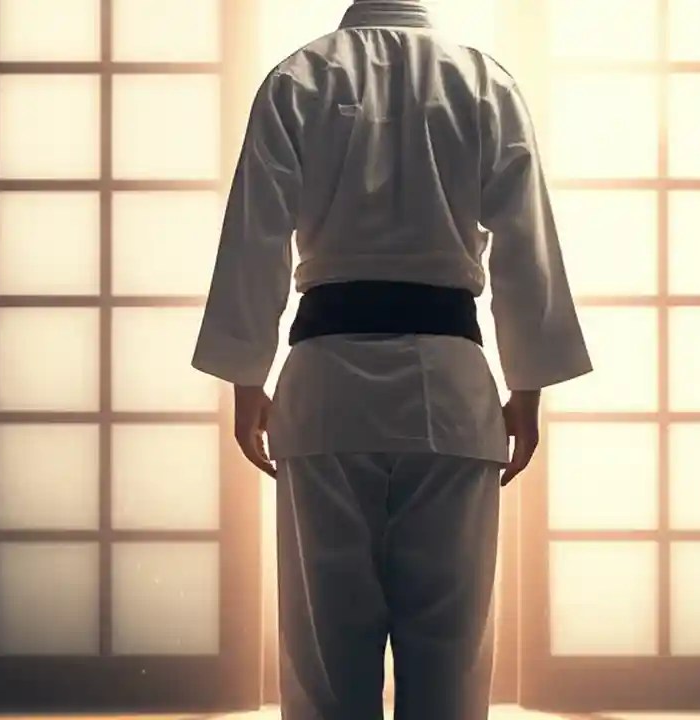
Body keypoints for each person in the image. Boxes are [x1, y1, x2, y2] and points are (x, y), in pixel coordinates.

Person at [191, 1, 592, 717]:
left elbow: (256, 233)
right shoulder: (482, 81)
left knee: (325, 657)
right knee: (450, 650)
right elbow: (525, 244)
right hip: (451, 385)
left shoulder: (299, 78)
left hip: (325, 387)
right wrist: (527, 388)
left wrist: (245, 378)